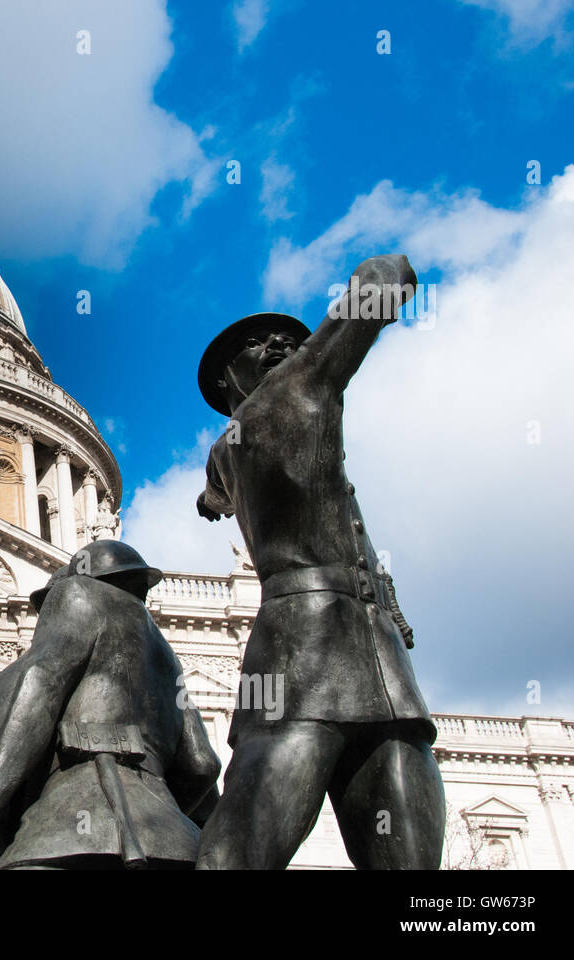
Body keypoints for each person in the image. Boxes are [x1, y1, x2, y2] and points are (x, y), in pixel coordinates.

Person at [193, 254, 444, 869]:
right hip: (309, 647)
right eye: (259, 344)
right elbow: (382, 282)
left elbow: (214, 495)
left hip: (372, 661)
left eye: (289, 341)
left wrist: (211, 497)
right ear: (230, 382)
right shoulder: (302, 385)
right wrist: (392, 271)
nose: (280, 346)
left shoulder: (225, 448)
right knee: (250, 847)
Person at [0, 540, 220, 869]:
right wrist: (160, 807)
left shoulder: (77, 592)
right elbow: (203, 764)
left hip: (72, 833)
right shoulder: (167, 656)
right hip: (174, 844)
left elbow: (39, 686)